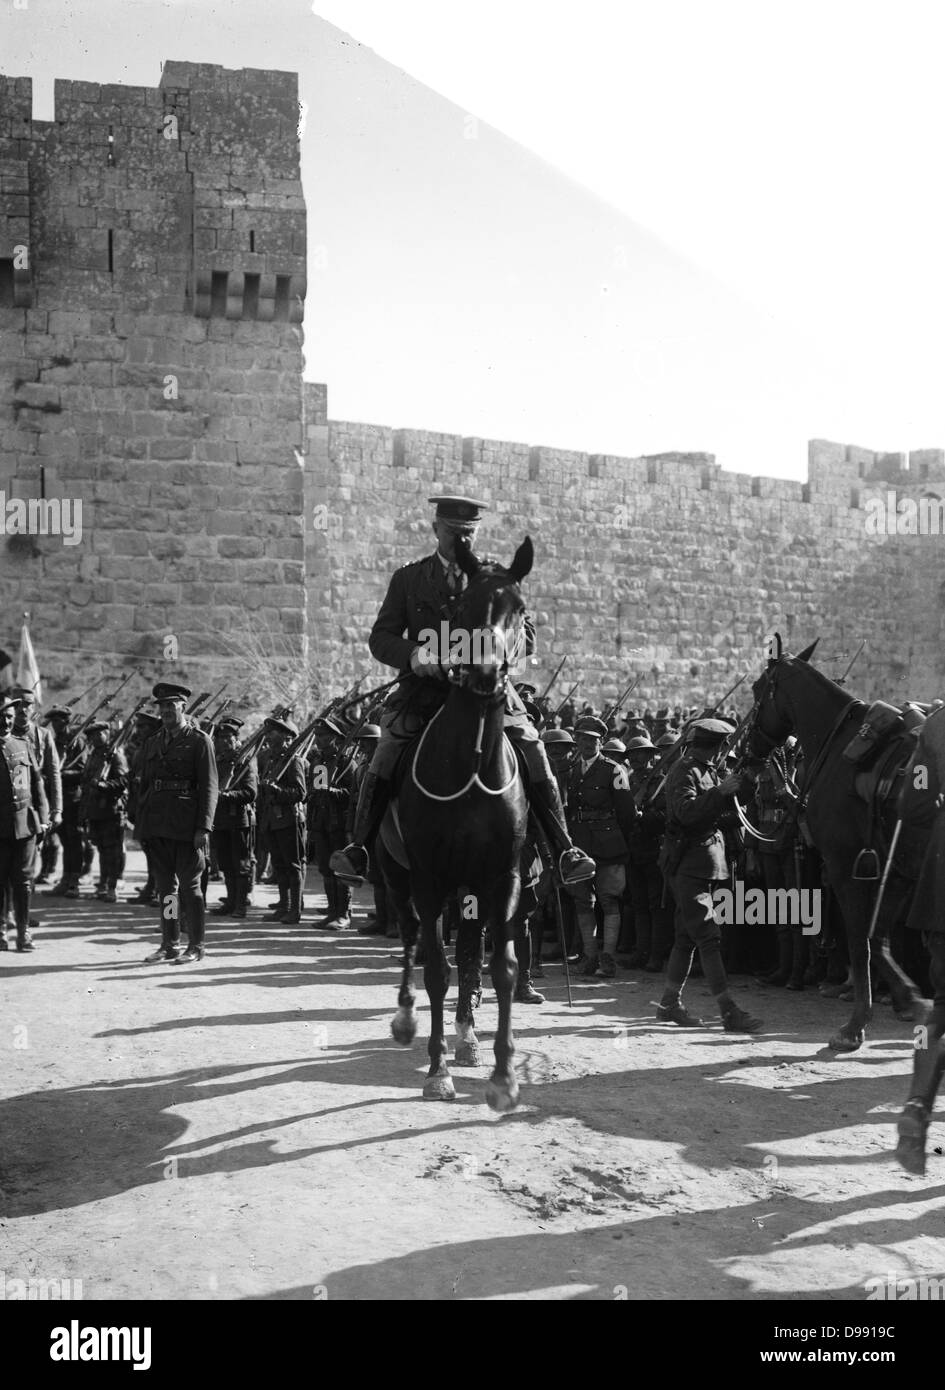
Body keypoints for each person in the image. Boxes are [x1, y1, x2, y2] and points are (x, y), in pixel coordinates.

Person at [330, 495, 594, 889]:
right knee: (386, 750)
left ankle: (564, 849)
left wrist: (498, 646)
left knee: (532, 747)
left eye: (468, 533)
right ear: (436, 529)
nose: (461, 540)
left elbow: (529, 638)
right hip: (424, 691)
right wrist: (416, 655)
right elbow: (380, 638)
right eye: (453, 532)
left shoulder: (495, 577)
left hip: (486, 691)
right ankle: (360, 848)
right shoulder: (409, 579)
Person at [656, 718, 763, 1032]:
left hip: (705, 862)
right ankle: (728, 1011)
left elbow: (737, 801)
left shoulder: (710, 770)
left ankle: (669, 1003)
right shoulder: (684, 771)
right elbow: (685, 813)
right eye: (721, 746)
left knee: (686, 937)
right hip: (688, 863)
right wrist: (719, 792)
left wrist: (750, 778)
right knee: (708, 936)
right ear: (715, 746)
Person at [895, 702, 945, 1173]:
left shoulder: (938, 724)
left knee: (936, 1008)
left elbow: (912, 804)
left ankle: (915, 1105)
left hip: (940, 886)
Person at [136, 682, 218, 964]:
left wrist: (204, 827)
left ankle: (196, 945)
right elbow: (145, 785)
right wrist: (141, 825)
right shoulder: (153, 742)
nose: (167, 711)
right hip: (157, 825)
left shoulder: (199, 741)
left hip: (186, 827)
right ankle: (169, 943)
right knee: (166, 890)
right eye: (163, 706)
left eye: (172, 705)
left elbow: (209, 787)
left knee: (190, 889)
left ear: (183, 707)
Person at [564, 715, 637, 977]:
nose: (586, 743)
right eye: (582, 738)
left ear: (601, 741)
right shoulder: (572, 771)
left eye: (592, 739)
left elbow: (627, 812)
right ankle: (590, 956)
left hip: (609, 843)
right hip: (580, 844)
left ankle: (608, 958)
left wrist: (619, 840)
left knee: (609, 899)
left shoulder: (614, 770)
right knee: (583, 901)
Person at [0, 694, 48, 951]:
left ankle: (24, 932)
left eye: (9, 717)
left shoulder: (23, 744)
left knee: (24, 881)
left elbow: (37, 782)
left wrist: (44, 816)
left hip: (25, 824)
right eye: (1, 717)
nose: (5, 722)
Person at [257, 714, 307, 926]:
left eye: (273, 732)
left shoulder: (293, 761)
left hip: (288, 819)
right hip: (272, 820)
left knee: (292, 865)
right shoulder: (271, 760)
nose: (268, 735)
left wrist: (277, 791)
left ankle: (294, 910)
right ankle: (283, 905)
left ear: (286, 736)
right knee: (279, 865)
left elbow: (300, 792)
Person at [307, 715, 356, 931]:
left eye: (323, 736)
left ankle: (344, 914)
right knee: (327, 869)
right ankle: (331, 911)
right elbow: (317, 793)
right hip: (322, 822)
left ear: (335, 738)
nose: (318, 739)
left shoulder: (346, 762)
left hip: (339, 822)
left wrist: (333, 791)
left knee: (341, 869)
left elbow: (352, 794)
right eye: (317, 735)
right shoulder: (318, 761)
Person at [210, 716, 258, 919]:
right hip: (220, 819)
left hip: (239, 819)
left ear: (236, 739)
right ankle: (230, 901)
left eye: (228, 738)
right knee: (225, 863)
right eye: (220, 738)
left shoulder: (244, 762)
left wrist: (226, 795)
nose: (224, 742)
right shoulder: (217, 761)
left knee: (241, 864)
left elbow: (250, 792)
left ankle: (240, 904)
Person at [78, 720, 129, 902]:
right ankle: (103, 883)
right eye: (93, 735)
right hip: (94, 809)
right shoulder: (94, 755)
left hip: (111, 809)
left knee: (112, 850)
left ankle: (112, 887)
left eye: (100, 733)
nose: (97, 737)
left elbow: (124, 781)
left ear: (108, 734)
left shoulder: (115, 756)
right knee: (101, 849)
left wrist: (103, 785)